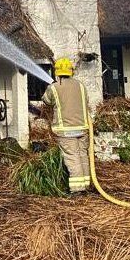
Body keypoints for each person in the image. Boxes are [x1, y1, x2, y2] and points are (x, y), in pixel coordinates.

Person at [41, 57, 91, 193]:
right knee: (82, 155)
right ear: (71, 71)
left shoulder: (54, 87)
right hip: (83, 128)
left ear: (57, 72)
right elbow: (85, 101)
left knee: (72, 158)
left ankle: (77, 189)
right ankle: (87, 185)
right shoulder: (81, 85)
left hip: (65, 131)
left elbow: (47, 101)